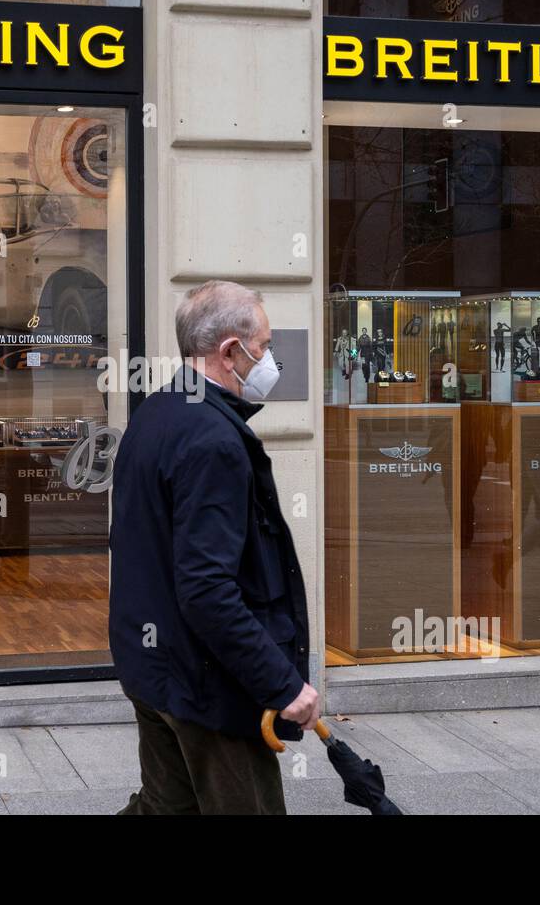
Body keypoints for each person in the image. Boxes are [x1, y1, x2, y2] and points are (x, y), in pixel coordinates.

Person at [109, 280, 318, 815]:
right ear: (231, 351)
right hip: (206, 685)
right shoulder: (214, 441)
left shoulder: (156, 413)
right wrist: (281, 682)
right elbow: (206, 588)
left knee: (165, 806)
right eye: (265, 347)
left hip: (153, 667)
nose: (270, 359)